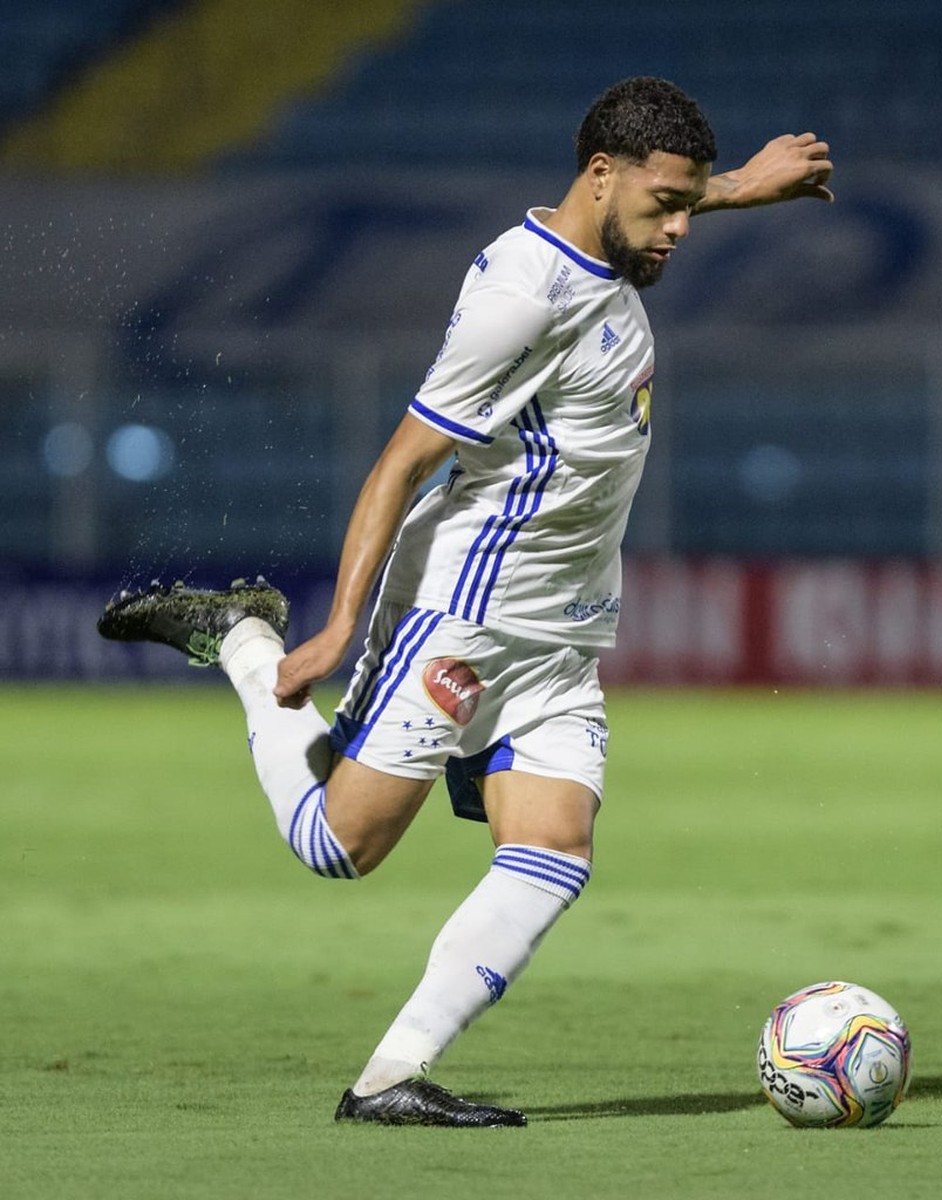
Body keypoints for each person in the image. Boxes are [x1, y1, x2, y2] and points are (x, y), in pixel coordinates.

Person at [99, 76, 833, 1128]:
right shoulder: (519, 298)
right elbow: (399, 466)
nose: (677, 225)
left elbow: (641, 214)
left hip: (562, 637)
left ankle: (388, 1081)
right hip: (468, 618)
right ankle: (244, 642)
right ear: (601, 176)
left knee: (553, 853)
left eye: (687, 203)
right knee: (338, 849)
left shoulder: (613, 238)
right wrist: (342, 627)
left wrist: (739, 190)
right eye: (667, 202)